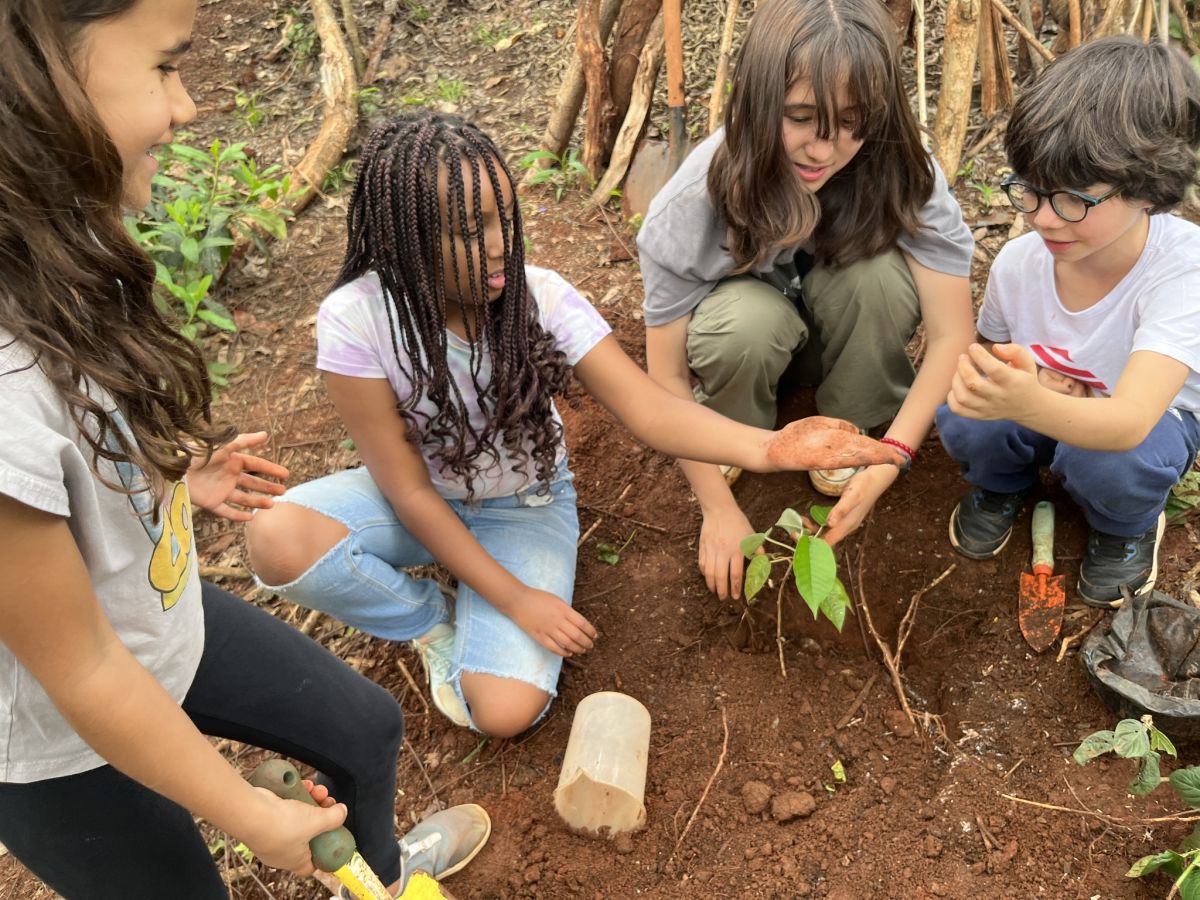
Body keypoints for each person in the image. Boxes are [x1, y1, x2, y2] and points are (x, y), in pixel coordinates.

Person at [0, 2, 489, 897]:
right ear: (37, 72)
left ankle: (375, 880)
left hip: (154, 623)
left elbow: (69, 450)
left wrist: (165, 481)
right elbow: (80, 668)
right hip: (55, 731)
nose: (187, 107)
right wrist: (251, 813)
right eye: (164, 68)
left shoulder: (55, 250)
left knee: (364, 728)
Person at [244, 110, 904, 739]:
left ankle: (474, 605)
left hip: (520, 507)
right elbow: (410, 490)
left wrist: (768, 446)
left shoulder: (541, 298)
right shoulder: (355, 321)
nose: (500, 244)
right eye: (470, 231)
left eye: (503, 216)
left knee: (505, 711)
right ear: (403, 240)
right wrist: (514, 600)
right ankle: (433, 621)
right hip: (416, 496)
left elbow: (649, 408)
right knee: (276, 538)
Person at [637, 0, 976, 603]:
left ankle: (850, 428)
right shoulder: (693, 201)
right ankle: (735, 432)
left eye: (851, 123)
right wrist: (716, 510)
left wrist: (891, 456)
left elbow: (952, 334)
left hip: (835, 333)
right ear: (757, 101)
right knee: (746, 322)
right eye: (800, 118)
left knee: (873, 278)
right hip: (751, 341)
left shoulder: (902, 171)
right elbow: (663, 375)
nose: (823, 149)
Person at [937, 36, 1200, 608]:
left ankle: (1124, 525)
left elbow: (1130, 422)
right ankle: (1005, 484)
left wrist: (1027, 400)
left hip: (1145, 424)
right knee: (966, 416)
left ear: (1149, 190)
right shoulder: (1018, 263)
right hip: (1047, 400)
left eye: (1074, 198)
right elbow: (990, 355)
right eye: (1029, 191)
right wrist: (1013, 379)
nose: (1043, 218)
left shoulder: (1184, 270)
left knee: (1113, 461)